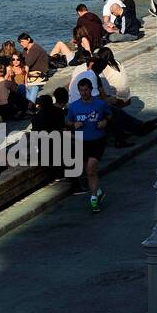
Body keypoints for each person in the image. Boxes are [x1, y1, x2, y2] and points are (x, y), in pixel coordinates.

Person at [67, 77, 111, 213]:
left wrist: (104, 121)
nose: (84, 93)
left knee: (91, 170)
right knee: (88, 172)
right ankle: (98, 192)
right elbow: (68, 122)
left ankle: (93, 200)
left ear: (91, 90)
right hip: (82, 142)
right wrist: (74, 124)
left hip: (97, 141)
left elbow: (109, 115)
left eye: (86, 90)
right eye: (81, 91)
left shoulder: (100, 104)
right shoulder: (74, 106)